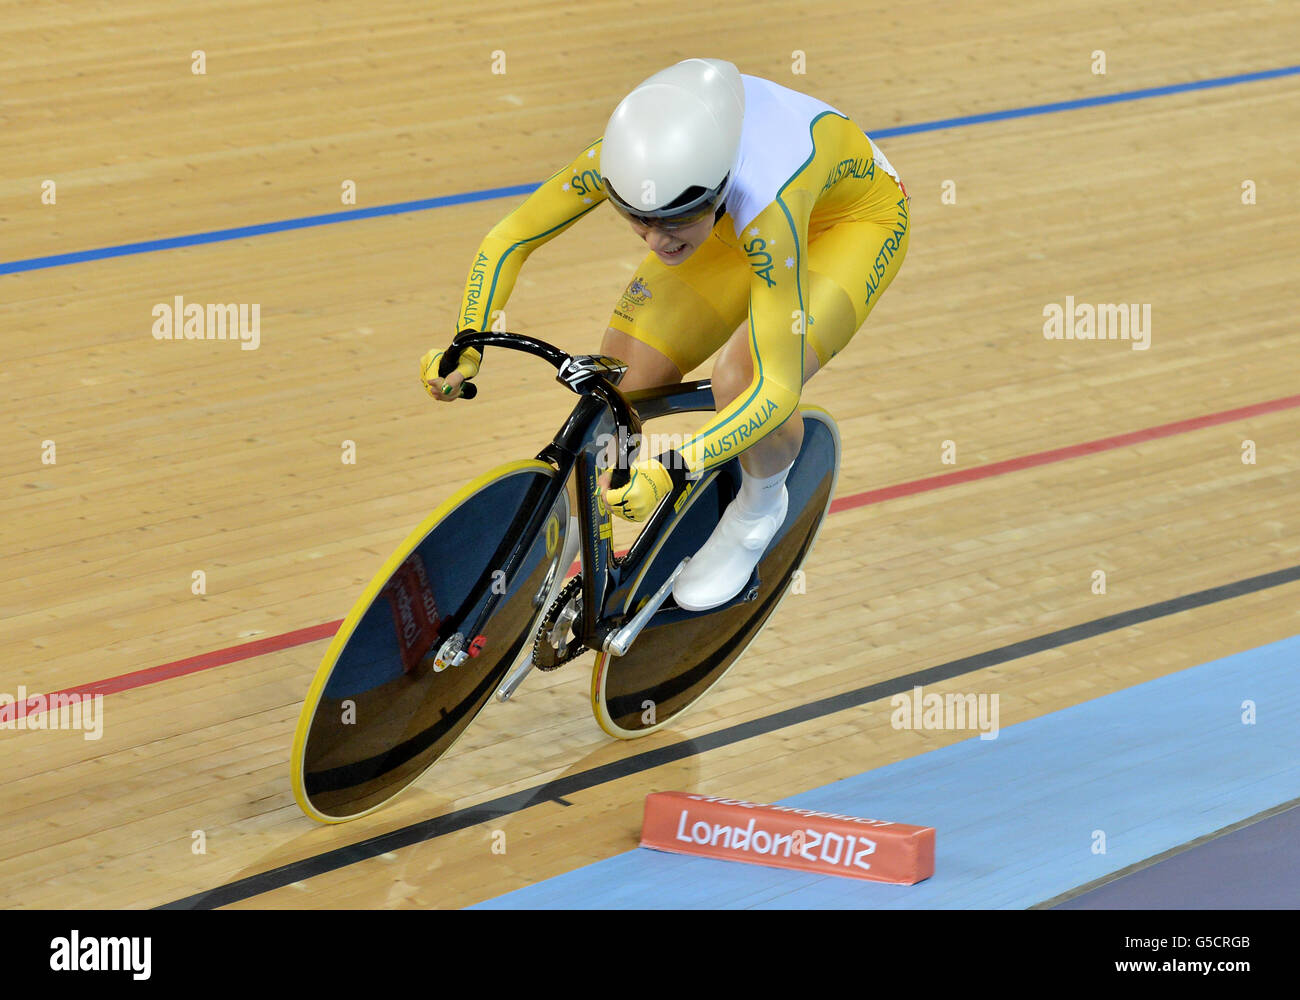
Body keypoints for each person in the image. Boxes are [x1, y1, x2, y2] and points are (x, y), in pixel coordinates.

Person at [421, 58, 909, 611]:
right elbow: (510, 237)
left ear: (717, 190)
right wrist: (467, 343)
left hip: (847, 226)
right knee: (620, 379)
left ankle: (759, 507)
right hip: (725, 222)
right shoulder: (631, 158)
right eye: (637, 220)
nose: (654, 241)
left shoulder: (767, 202)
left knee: (742, 377)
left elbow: (774, 389)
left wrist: (677, 466)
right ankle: (584, 528)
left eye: (671, 223)